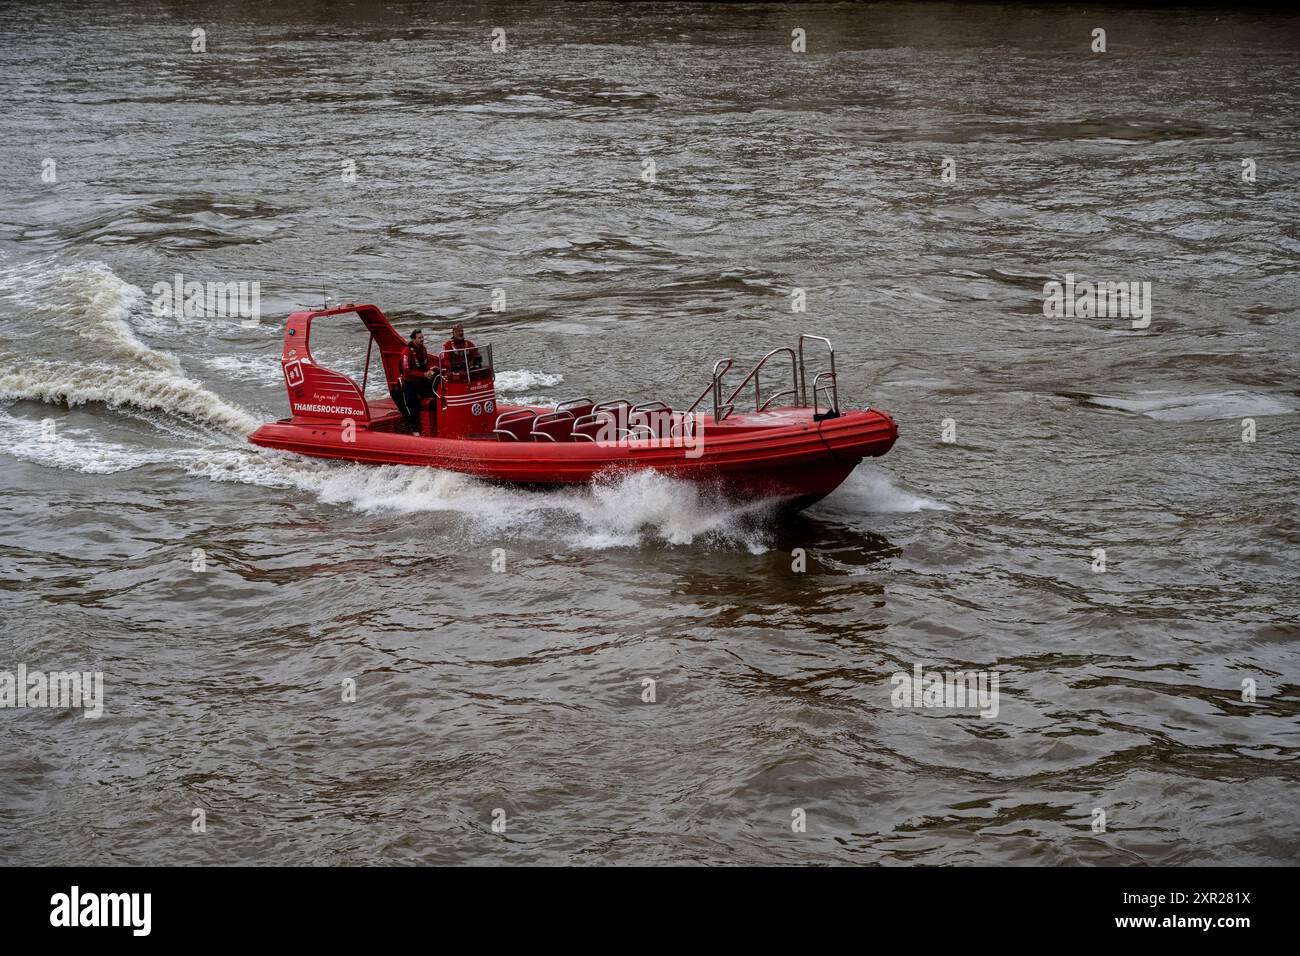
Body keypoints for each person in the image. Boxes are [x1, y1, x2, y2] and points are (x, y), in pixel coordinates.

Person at [399, 329, 437, 436]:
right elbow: (407, 371)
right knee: (413, 404)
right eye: (419, 338)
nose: (422, 340)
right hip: (410, 383)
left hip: (422, 381)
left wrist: (429, 371)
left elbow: (427, 363)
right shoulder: (406, 352)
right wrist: (424, 374)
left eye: (422, 337)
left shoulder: (423, 349)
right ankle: (415, 429)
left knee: (434, 397)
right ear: (413, 339)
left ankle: (433, 424)